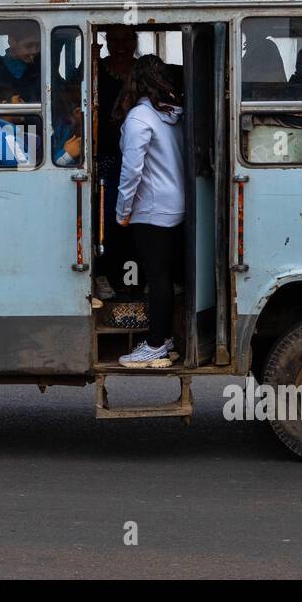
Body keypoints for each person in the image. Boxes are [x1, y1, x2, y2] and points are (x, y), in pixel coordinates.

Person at [114, 55, 188, 368]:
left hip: (152, 208)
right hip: (175, 204)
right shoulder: (172, 116)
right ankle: (165, 337)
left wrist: (122, 210)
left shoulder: (138, 118)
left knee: (157, 277)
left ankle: (156, 343)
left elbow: (131, 170)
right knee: (166, 276)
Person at [95, 29, 137, 296]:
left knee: (138, 217)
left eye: (126, 40)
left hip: (138, 150)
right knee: (107, 216)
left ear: (135, 42)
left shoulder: (143, 71)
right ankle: (103, 274)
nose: (120, 46)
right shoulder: (96, 67)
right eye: (115, 41)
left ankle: (139, 277)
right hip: (106, 151)